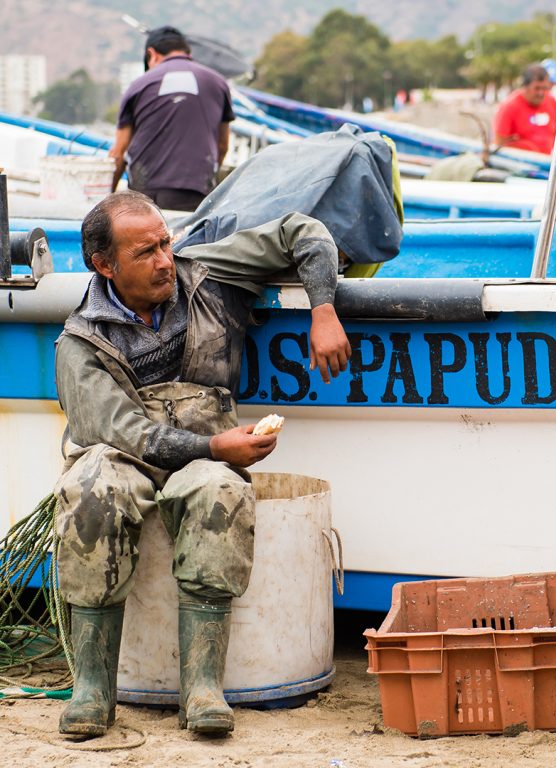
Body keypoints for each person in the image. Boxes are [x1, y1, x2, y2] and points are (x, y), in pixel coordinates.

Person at [54, 191, 351, 738]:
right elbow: (127, 435)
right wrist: (219, 448)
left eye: (166, 242)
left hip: (208, 455)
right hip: (126, 457)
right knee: (94, 489)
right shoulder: (79, 344)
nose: (166, 260)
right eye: (145, 252)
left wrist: (323, 308)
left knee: (218, 490)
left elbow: (302, 231)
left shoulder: (208, 274)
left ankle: (203, 688)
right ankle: (93, 690)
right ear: (104, 265)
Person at [109, 26, 235, 212]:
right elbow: (223, 145)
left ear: (151, 54)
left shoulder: (138, 85)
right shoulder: (218, 82)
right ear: (186, 51)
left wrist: (107, 199)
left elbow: (119, 153)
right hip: (197, 191)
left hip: (145, 195)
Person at [493, 64, 556, 155]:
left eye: (544, 88)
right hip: (521, 164)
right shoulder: (509, 106)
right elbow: (499, 143)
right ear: (525, 87)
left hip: (547, 161)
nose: (541, 93)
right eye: (537, 88)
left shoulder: (552, 102)